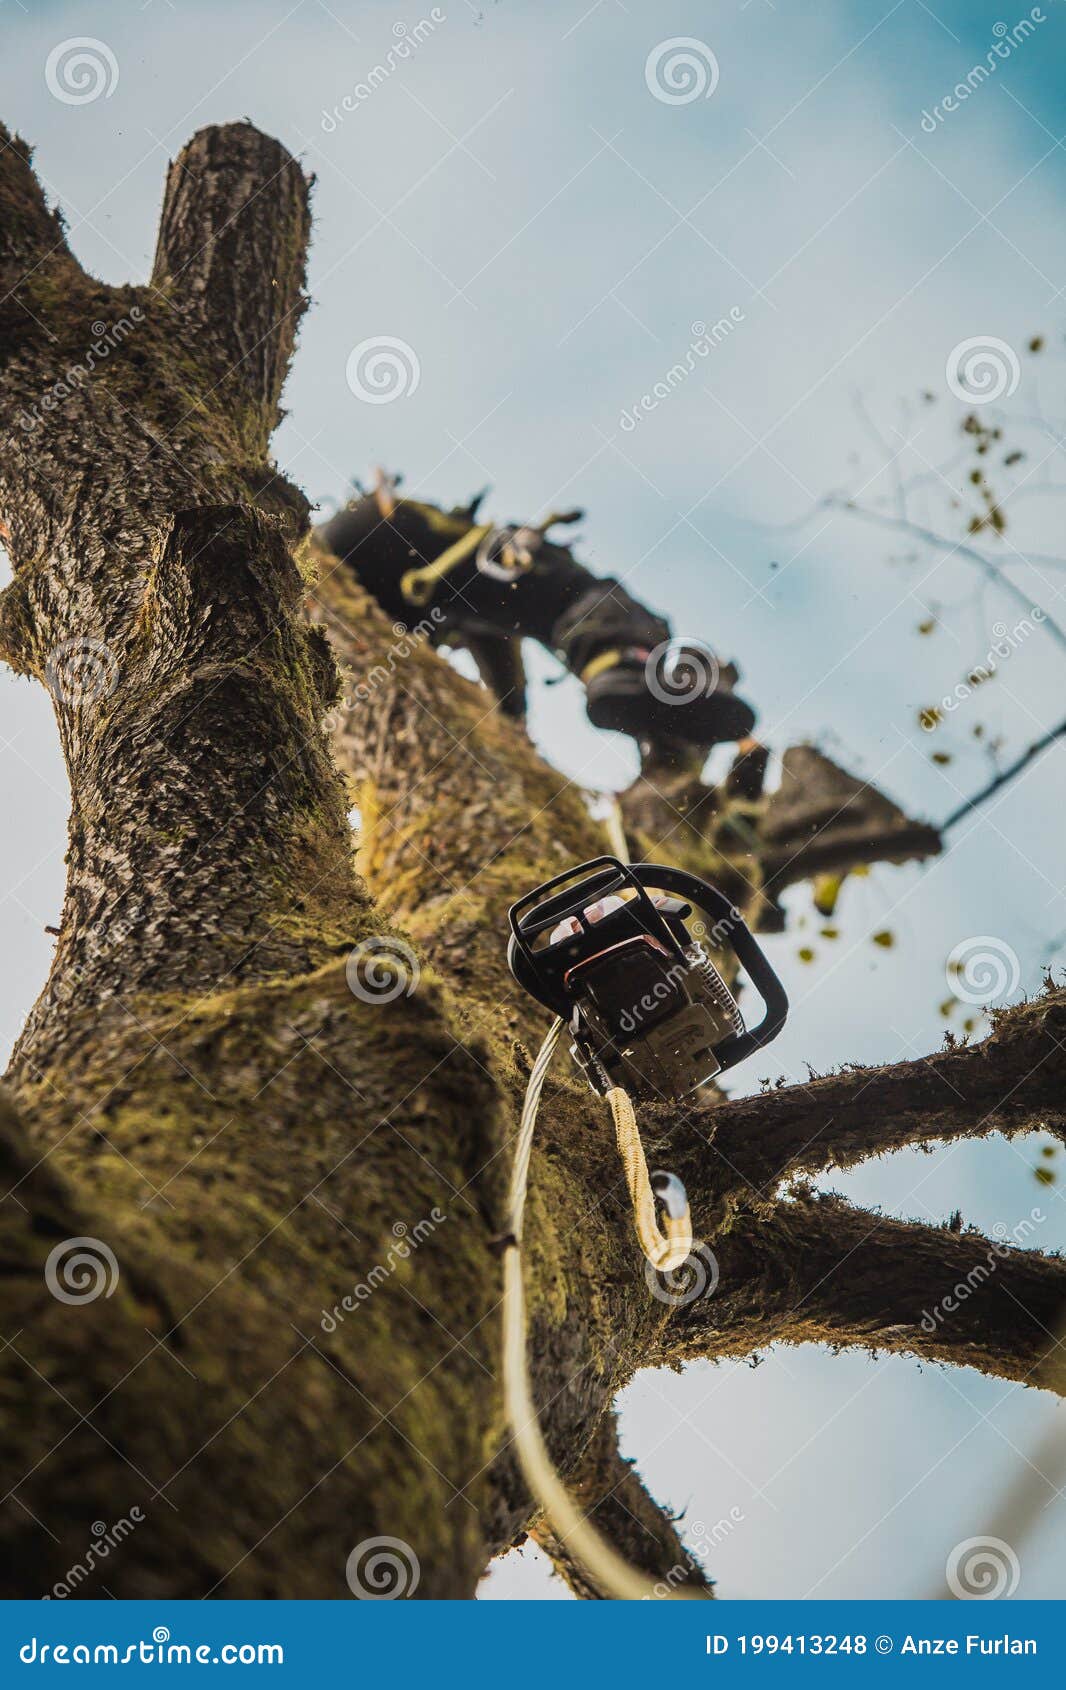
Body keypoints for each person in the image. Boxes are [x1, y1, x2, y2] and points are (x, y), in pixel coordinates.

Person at [320, 473, 755, 753]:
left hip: (374, 575)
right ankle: (625, 661)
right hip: (383, 540)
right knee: (574, 591)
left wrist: (512, 715)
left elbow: (491, 633)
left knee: (533, 606)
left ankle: (622, 668)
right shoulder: (435, 547)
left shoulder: (457, 598)